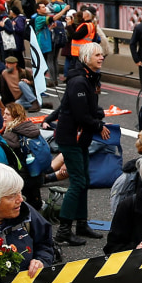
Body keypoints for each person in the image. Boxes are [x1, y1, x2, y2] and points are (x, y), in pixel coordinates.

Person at [53, 41, 109, 245]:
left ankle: (82, 224)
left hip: (80, 138)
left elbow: (88, 108)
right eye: (97, 55)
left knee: (84, 180)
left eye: (102, 55)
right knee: (77, 182)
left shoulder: (89, 78)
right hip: (72, 138)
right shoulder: (79, 81)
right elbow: (80, 114)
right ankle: (63, 231)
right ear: (86, 59)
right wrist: (98, 125)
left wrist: (98, 114)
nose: (101, 58)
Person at [0, 102, 44, 208]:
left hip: (22, 179)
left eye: (7, 114)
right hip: (37, 174)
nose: (4, 116)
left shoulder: (10, 135)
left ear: (16, 117)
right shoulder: (30, 128)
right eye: (4, 113)